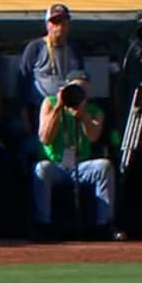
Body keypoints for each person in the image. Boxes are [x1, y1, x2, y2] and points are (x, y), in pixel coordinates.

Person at [33, 71, 120, 242]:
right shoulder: (50, 103)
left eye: (84, 90)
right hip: (56, 165)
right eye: (76, 88)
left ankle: (104, 225)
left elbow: (93, 136)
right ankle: (43, 225)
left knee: (104, 167)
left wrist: (84, 116)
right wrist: (59, 107)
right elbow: (45, 138)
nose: (80, 93)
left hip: (81, 165)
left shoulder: (95, 111)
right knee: (41, 169)